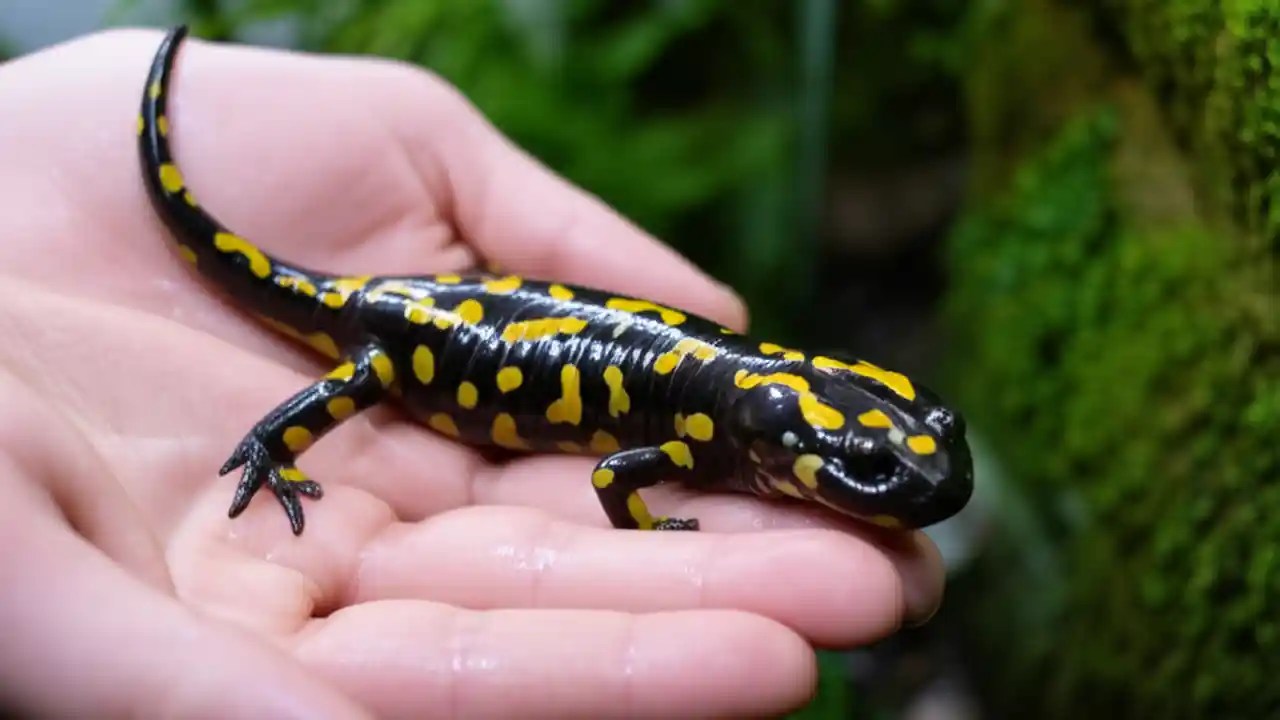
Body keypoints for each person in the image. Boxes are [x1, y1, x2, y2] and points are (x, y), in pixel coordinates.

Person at [0, 28, 944, 719]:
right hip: (404, 334)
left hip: (460, 313)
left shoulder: (731, 418)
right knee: (358, 381)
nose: (904, 477)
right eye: (866, 460)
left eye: (914, 446)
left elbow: (618, 470)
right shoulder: (719, 428)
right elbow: (617, 479)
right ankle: (263, 447)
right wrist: (648, 534)